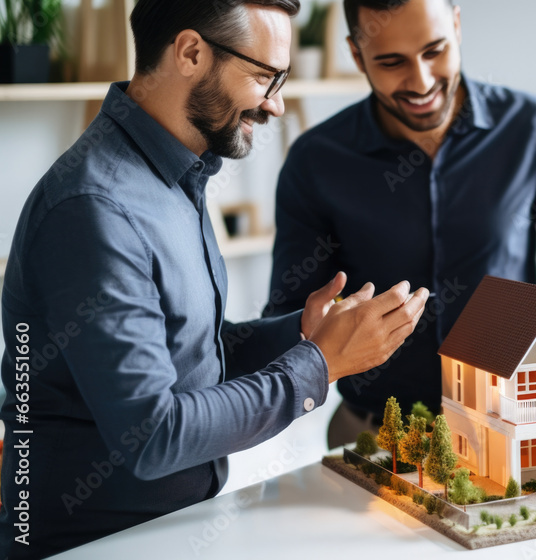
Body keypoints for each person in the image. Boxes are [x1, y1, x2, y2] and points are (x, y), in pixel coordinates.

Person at [0, 0, 428, 557]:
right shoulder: (95, 208)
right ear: (191, 53)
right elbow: (152, 434)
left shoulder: (178, 175)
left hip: (172, 531)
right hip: (89, 544)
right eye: (263, 76)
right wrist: (319, 367)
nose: (276, 105)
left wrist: (302, 332)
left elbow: (187, 349)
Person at [265, 0, 536, 450]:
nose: (421, 82)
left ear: (456, 26)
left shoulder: (529, 129)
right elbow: (285, 318)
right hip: (374, 437)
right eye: (391, 61)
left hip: (511, 429)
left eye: (434, 51)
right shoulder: (315, 162)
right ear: (357, 56)